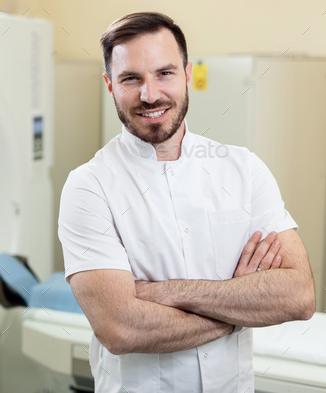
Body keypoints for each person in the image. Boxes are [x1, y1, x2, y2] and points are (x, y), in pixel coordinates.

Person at [58, 12, 316, 393]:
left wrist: (162, 291)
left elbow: (298, 296)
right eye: (131, 79)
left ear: (187, 74)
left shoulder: (243, 169)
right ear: (110, 85)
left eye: (165, 73)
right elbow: (121, 329)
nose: (150, 95)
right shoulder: (89, 186)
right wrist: (239, 308)